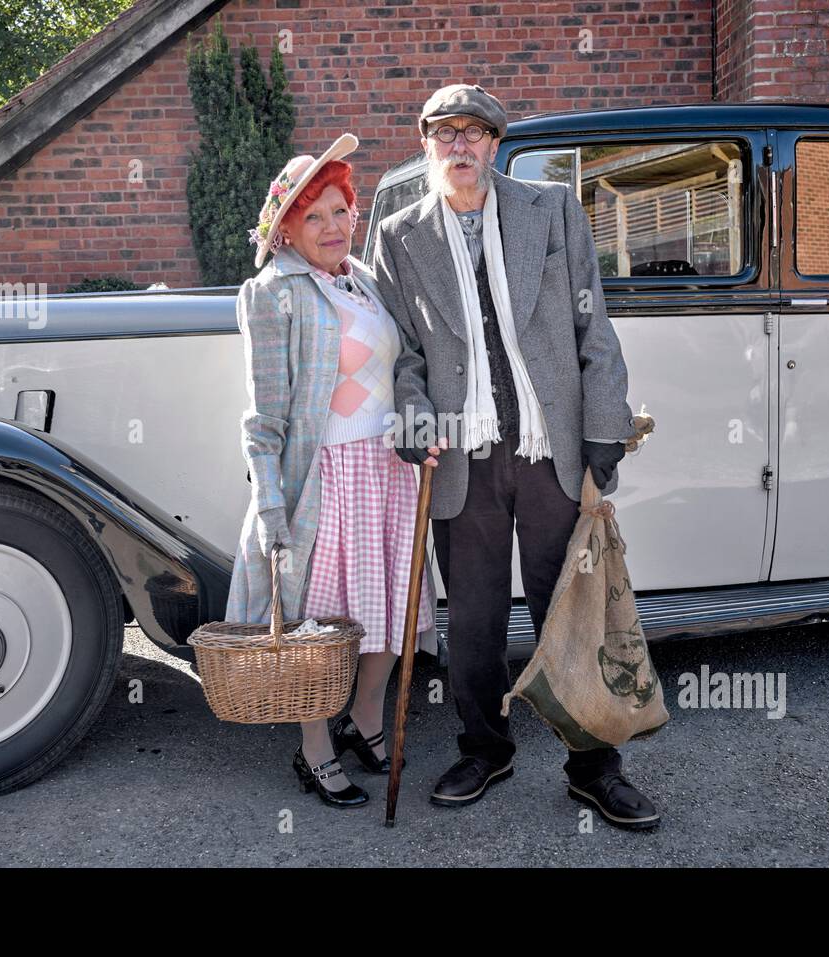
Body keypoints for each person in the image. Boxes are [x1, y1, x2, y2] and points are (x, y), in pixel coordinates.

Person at [370, 84, 660, 829]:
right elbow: (398, 349)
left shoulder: (551, 209)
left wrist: (605, 427)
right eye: (445, 133)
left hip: (550, 449)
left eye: (475, 132)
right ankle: (484, 747)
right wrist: (410, 412)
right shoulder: (400, 234)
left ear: (496, 144)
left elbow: (594, 324)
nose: (460, 146)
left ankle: (595, 766)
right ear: (426, 142)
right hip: (463, 454)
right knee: (472, 618)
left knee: (573, 612)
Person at [225, 133, 435, 809]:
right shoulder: (271, 292)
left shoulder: (366, 280)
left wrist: (417, 421)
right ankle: (314, 747)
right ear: (287, 228)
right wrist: (270, 503)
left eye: (340, 210)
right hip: (326, 479)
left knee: (392, 618)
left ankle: (366, 720)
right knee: (318, 630)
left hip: (389, 470)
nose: (332, 226)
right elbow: (263, 416)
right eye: (313, 215)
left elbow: (404, 366)